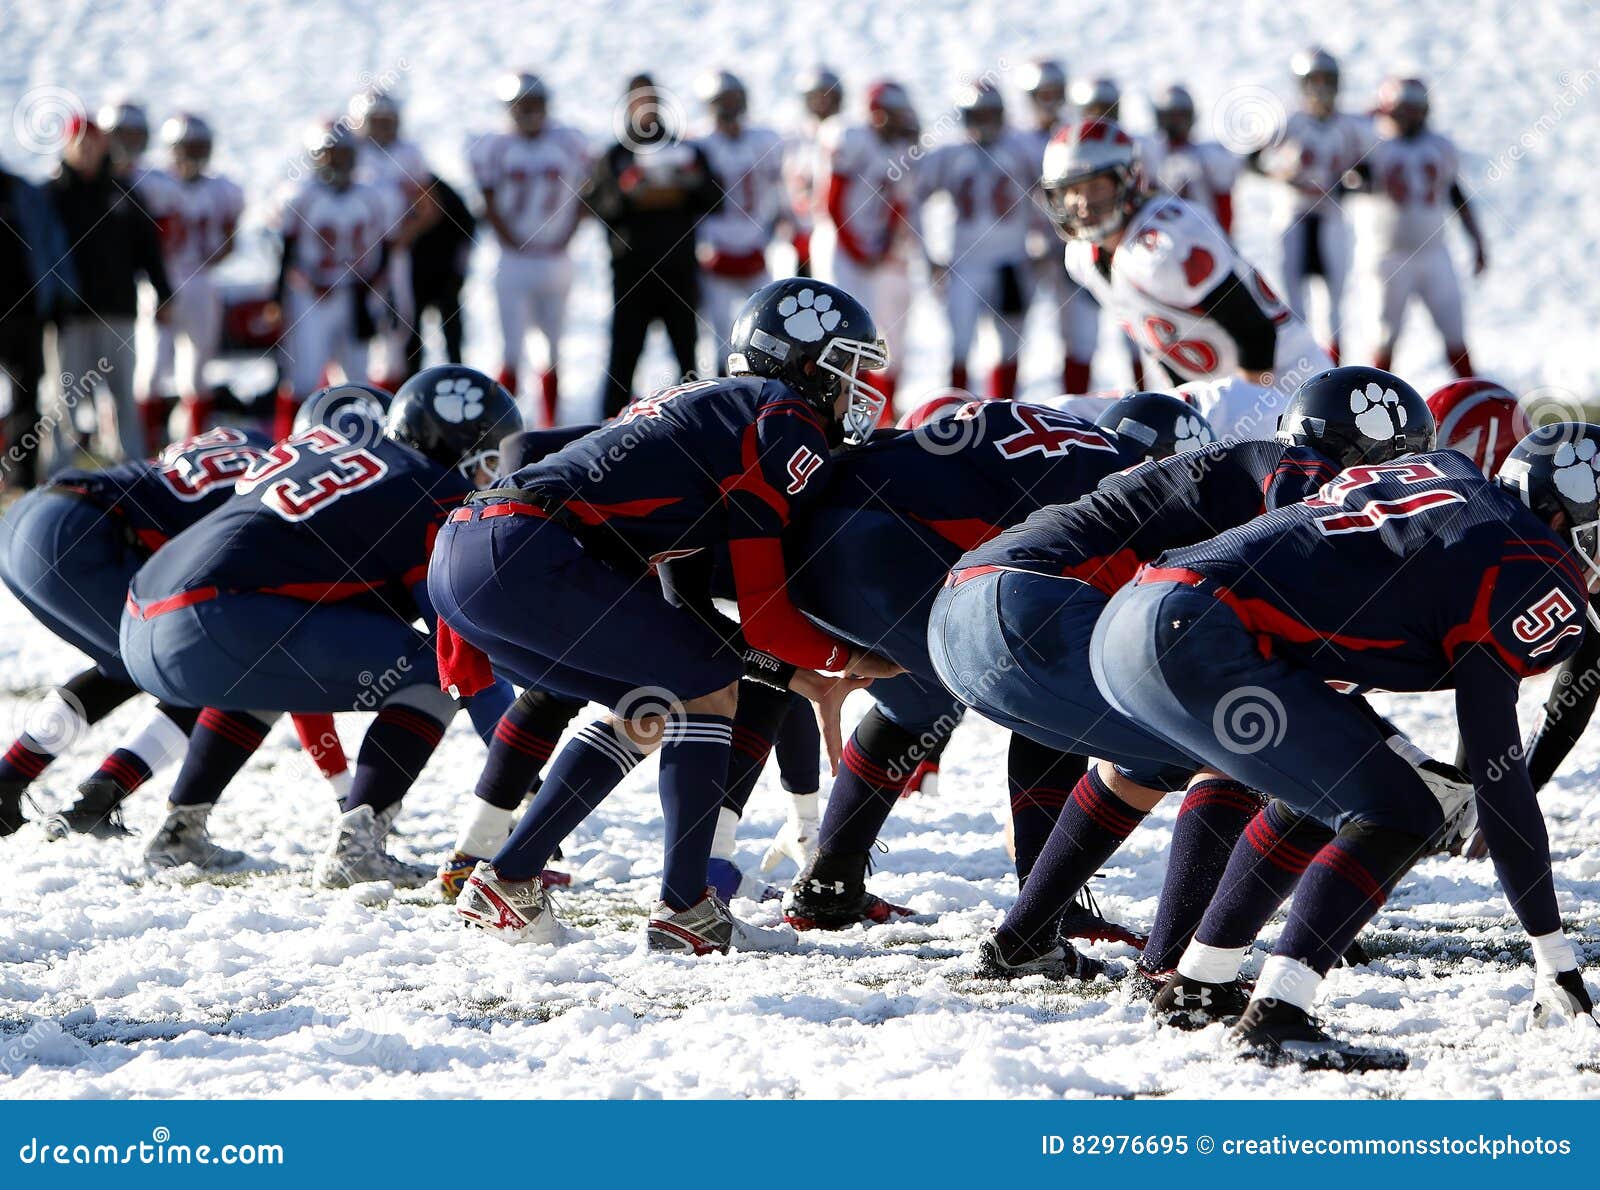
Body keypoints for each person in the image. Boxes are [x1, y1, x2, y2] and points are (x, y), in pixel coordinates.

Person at [1096, 422, 1599, 1065]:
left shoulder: (1449, 476)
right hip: (1198, 631)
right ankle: (1277, 1015)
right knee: (1407, 809)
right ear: (1561, 512)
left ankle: (1201, 985)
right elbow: (1497, 774)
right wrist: (1554, 955)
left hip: (1138, 616)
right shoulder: (1533, 562)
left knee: (1326, 792)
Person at [432, 278, 900, 954]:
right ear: (808, 364)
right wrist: (843, 662)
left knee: (655, 696)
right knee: (703, 681)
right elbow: (764, 618)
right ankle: (685, 910)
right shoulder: (782, 416)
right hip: (526, 549)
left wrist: (796, 671)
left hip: (476, 552)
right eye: (850, 366)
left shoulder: (713, 411)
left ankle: (507, 877)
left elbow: (692, 611)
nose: (860, 387)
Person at [928, 369, 1434, 982]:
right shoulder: (1302, 473)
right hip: (1034, 601)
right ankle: (1170, 964)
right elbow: (1297, 601)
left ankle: (1025, 938)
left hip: (963, 614)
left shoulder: (1254, 464)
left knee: (1156, 757)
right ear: (1373, 450)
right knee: (1242, 735)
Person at [782, 396, 1180, 932]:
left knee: (919, 705)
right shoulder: (1134, 484)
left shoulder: (1061, 436)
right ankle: (1047, 916)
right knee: (1052, 691)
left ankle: (828, 884)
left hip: (810, 537)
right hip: (881, 546)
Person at [118, 367, 517, 881]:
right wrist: (517, 771)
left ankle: (180, 830)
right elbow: (459, 646)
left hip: (141, 618)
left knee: (266, 670)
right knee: (429, 673)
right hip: (215, 617)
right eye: (487, 460)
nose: (488, 478)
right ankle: (358, 850)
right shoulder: (425, 485)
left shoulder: (343, 459)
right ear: (457, 443)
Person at [1042, 118, 1330, 440]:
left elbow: (1256, 334)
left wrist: (1250, 414)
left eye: (1095, 186)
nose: (1081, 203)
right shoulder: (1082, 258)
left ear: (1128, 179)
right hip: (1219, 388)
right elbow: (1164, 346)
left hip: (1286, 378)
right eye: (1072, 190)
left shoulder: (1166, 243)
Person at [588, 74, 721, 419]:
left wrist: (689, 179)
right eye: (638, 101)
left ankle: (695, 429)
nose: (646, 109)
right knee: (623, 359)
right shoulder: (616, 155)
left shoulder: (685, 150)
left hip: (678, 270)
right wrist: (627, 190)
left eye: (652, 100)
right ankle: (608, 432)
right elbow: (598, 206)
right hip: (632, 275)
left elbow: (716, 199)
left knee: (688, 360)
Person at [44, 115, 171, 466]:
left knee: (121, 396)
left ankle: (128, 467)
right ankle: (57, 471)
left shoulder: (124, 191)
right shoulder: (53, 195)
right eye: (79, 143)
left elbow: (148, 247)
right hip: (70, 314)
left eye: (92, 142)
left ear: (103, 145)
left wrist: (163, 291)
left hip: (117, 309)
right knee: (64, 397)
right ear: (67, 146)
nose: (86, 150)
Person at [469, 73, 590, 426]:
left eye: (535, 104)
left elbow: (586, 192)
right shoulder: (495, 146)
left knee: (551, 351)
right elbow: (487, 199)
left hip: (555, 257)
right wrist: (512, 241)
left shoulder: (568, 141)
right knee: (510, 350)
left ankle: (550, 425)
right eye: (523, 105)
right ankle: (503, 428)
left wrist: (567, 234)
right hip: (514, 260)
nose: (530, 112)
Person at [270, 120, 396, 439]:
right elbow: (286, 255)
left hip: (355, 294)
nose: (338, 162)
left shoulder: (372, 195)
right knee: (303, 376)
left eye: (343, 155)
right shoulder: (300, 195)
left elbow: (384, 252)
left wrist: (374, 291)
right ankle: (289, 444)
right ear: (315, 157)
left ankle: (360, 445)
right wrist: (309, 286)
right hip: (312, 297)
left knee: (357, 379)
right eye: (330, 155)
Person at [915, 82, 1040, 399]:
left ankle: (1003, 413)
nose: (984, 122)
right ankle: (956, 419)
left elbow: (1047, 198)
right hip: (965, 264)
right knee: (959, 345)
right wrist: (927, 253)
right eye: (978, 114)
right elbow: (913, 199)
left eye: (990, 113)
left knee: (1008, 347)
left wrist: (1045, 243)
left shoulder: (1021, 150)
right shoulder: (949, 155)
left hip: (1010, 261)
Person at [1357, 76, 1486, 377]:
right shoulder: (1374, 146)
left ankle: (1472, 403)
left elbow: (1456, 196)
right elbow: (1349, 180)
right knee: (1384, 338)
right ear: (1388, 109)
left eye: (1415, 108)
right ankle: (1371, 409)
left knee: (1455, 333)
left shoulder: (1440, 146)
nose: (1410, 115)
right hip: (1388, 257)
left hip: (1433, 254)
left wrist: (1478, 243)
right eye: (1403, 108)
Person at [1249, 48, 1371, 363]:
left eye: (1326, 80)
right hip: (1294, 212)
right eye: (1314, 80)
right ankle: (1299, 367)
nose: (1320, 87)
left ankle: (1333, 367)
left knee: (1333, 306)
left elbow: (1367, 172)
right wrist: (1280, 173)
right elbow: (1251, 160)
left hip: (1330, 214)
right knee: (1294, 304)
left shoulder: (1348, 126)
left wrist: (1346, 184)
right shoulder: (1291, 120)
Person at [811, 80, 918, 417]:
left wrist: (882, 247)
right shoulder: (851, 137)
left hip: (874, 247)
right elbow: (831, 200)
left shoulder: (900, 147)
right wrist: (857, 250)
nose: (901, 120)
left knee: (884, 331)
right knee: (841, 331)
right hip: (841, 246)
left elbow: (897, 205)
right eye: (894, 113)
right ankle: (838, 408)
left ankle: (882, 411)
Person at [134, 114, 244, 441]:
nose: (194, 154)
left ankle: (189, 443)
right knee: (150, 368)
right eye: (187, 147)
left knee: (196, 371)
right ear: (171, 149)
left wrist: (214, 254)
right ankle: (143, 447)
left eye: (199, 146)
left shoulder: (221, 188)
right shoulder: (153, 184)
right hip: (159, 281)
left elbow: (229, 240)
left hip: (201, 281)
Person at [693, 70, 789, 376]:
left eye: (733, 99)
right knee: (719, 339)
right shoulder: (700, 144)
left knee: (768, 332)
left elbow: (781, 191)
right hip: (714, 251)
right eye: (722, 101)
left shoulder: (764, 140)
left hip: (755, 246)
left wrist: (774, 228)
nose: (729, 108)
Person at [1017, 58, 1100, 394]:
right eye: (1042, 93)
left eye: (1055, 92)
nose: (1049, 100)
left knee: (1081, 337)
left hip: (1071, 247)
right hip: (1020, 250)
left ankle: (1075, 416)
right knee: (1006, 338)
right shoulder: (1013, 140)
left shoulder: (1076, 137)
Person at [351, 89, 436, 390]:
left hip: (391, 254)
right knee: (350, 334)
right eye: (377, 121)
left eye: (389, 120)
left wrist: (402, 238)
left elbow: (428, 206)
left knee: (397, 327)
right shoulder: (351, 152)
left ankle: (385, 406)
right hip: (352, 258)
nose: (384, 127)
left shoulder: (408, 153)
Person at [0, 163, 74, 489]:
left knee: (27, 400)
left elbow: (52, 244)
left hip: (26, 314)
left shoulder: (22, 191)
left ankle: (21, 480)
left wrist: (59, 297)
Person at [406, 173, 475, 374]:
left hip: (445, 276)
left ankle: (457, 377)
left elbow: (467, 226)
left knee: (452, 336)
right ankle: (410, 384)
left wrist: (459, 271)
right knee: (411, 337)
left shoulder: (442, 190)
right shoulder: (398, 191)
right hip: (414, 279)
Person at [1148, 85, 1238, 235]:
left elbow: (1224, 204)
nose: (1176, 124)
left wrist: (1223, 240)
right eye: (1171, 117)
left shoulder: (1208, 155)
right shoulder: (1149, 155)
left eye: (1181, 117)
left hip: (1203, 238)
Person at [783, 67, 843, 277]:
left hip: (832, 231)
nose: (822, 103)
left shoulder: (847, 136)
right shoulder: (793, 139)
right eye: (816, 97)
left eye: (828, 97)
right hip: (797, 231)